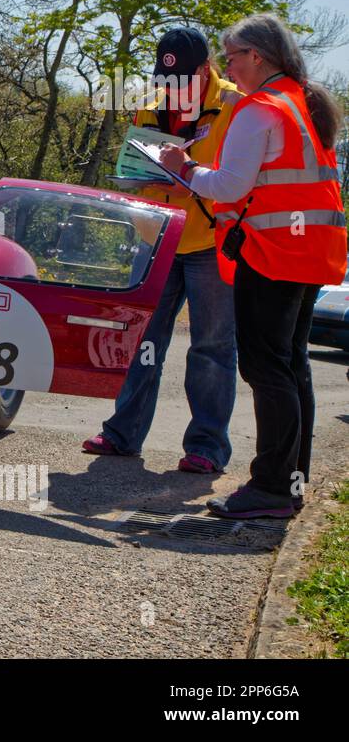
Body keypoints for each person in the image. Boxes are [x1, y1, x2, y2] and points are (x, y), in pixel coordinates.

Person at [159, 13, 347, 519]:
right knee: (292, 365)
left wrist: (185, 168)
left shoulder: (258, 108)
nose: (227, 66)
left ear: (257, 57)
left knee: (266, 368)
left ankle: (270, 487)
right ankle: (290, 479)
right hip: (311, 252)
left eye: (233, 56)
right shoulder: (306, 103)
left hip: (272, 253)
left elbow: (229, 186)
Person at [83, 28, 242, 473]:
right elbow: (130, 166)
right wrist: (138, 179)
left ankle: (206, 449)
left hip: (211, 242)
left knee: (211, 348)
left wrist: (191, 175)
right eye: (164, 82)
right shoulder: (149, 105)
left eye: (181, 82)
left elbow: (239, 175)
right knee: (141, 340)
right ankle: (122, 435)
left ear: (205, 69)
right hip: (155, 239)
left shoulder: (235, 105)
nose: (171, 92)